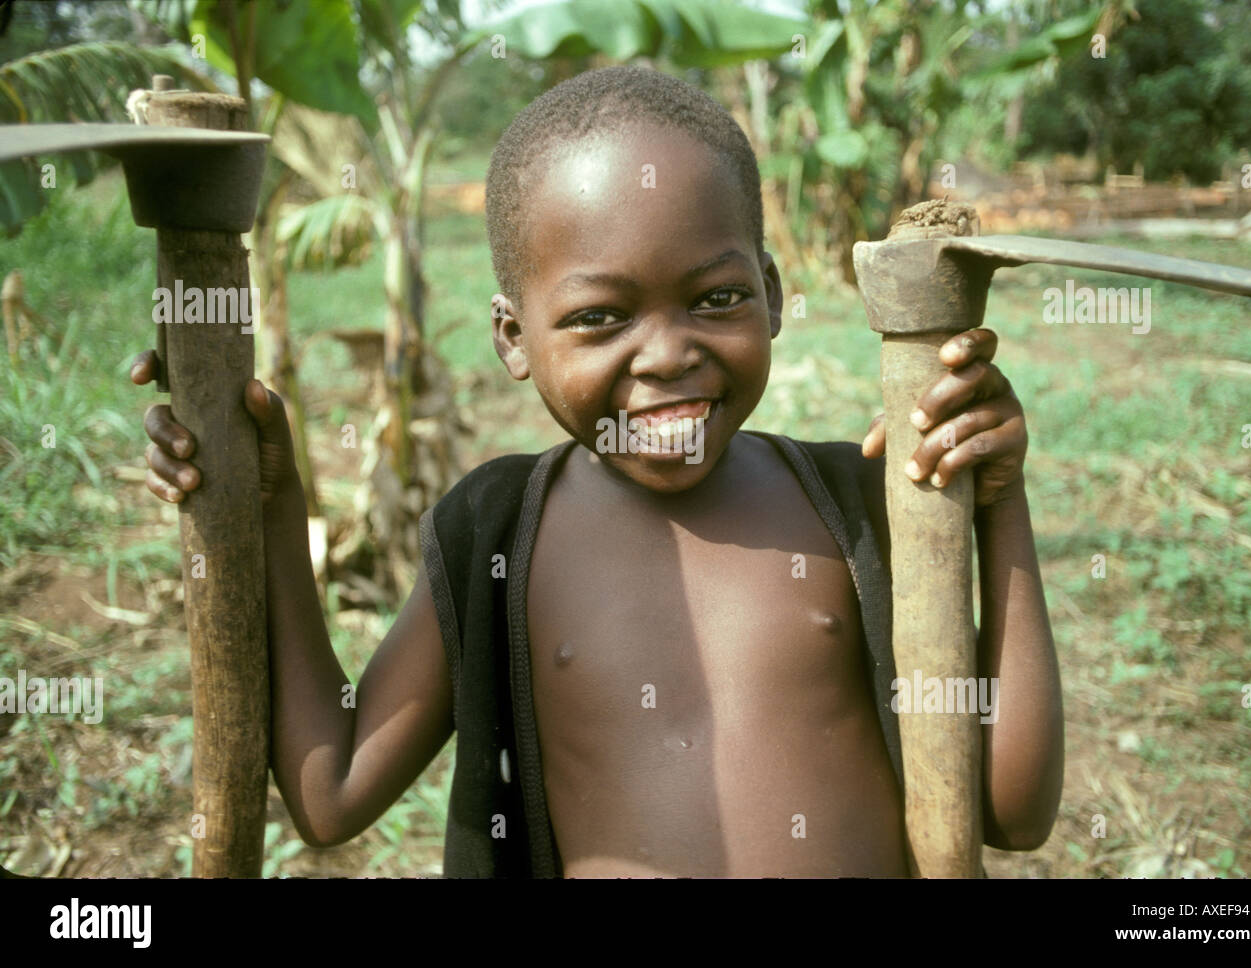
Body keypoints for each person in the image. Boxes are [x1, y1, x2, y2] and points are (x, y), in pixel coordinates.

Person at [132, 66, 1063, 877]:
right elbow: (331, 790)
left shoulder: (862, 501)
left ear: (773, 297)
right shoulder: (494, 536)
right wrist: (267, 496)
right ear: (514, 339)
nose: (666, 355)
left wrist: (996, 503)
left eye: (717, 298)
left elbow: (1011, 814)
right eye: (599, 318)